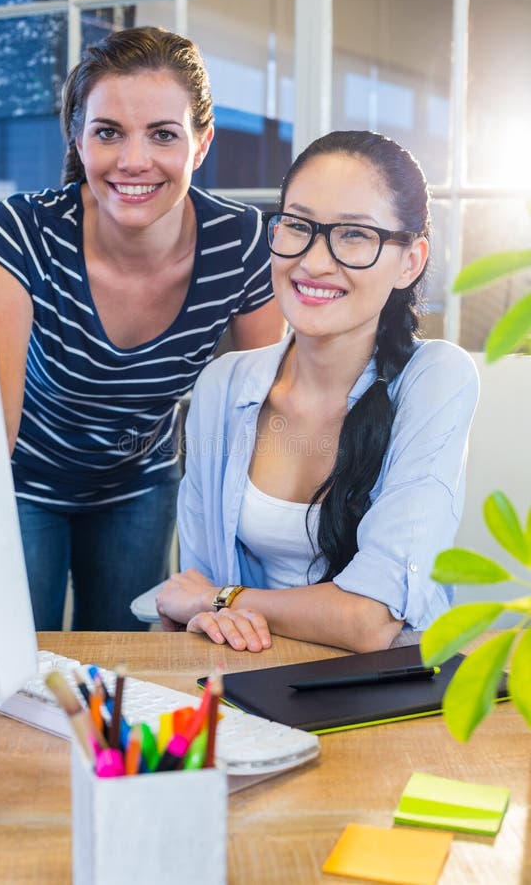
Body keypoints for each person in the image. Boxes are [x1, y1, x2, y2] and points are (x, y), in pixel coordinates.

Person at [0, 26, 285, 632]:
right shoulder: (20, 233)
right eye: (108, 132)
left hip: (140, 485)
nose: (133, 161)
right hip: (21, 485)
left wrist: (247, 579)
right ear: (78, 138)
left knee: (122, 662)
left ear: (201, 144)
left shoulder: (243, 243)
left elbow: (262, 421)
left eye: (163, 134)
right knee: (17, 659)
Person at [156, 130, 480, 653]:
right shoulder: (223, 384)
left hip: (387, 688)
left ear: (410, 261)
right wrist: (210, 607)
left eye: (354, 234)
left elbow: (370, 622)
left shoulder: (436, 377)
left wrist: (222, 599)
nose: (314, 262)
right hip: (247, 675)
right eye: (299, 225)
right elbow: (196, 594)